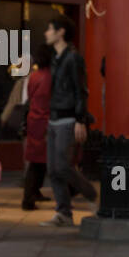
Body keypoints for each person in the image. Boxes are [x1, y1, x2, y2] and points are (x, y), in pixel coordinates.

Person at [43, 14, 96, 226]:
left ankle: (91, 193)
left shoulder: (73, 58)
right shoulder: (54, 58)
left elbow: (80, 90)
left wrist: (80, 120)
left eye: (49, 29)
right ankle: (63, 213)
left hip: (67, 119)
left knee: (63, 166)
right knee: (53, 169)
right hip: (53, 118)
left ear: (60, 32)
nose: (46, 33)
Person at [21, 43, 53, 210]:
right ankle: (28, 198)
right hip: (46, 121)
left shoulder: (33, 76)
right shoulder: (50, 77)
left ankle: (33, 194)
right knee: (43, 161)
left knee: (37, 161)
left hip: (33, 119)